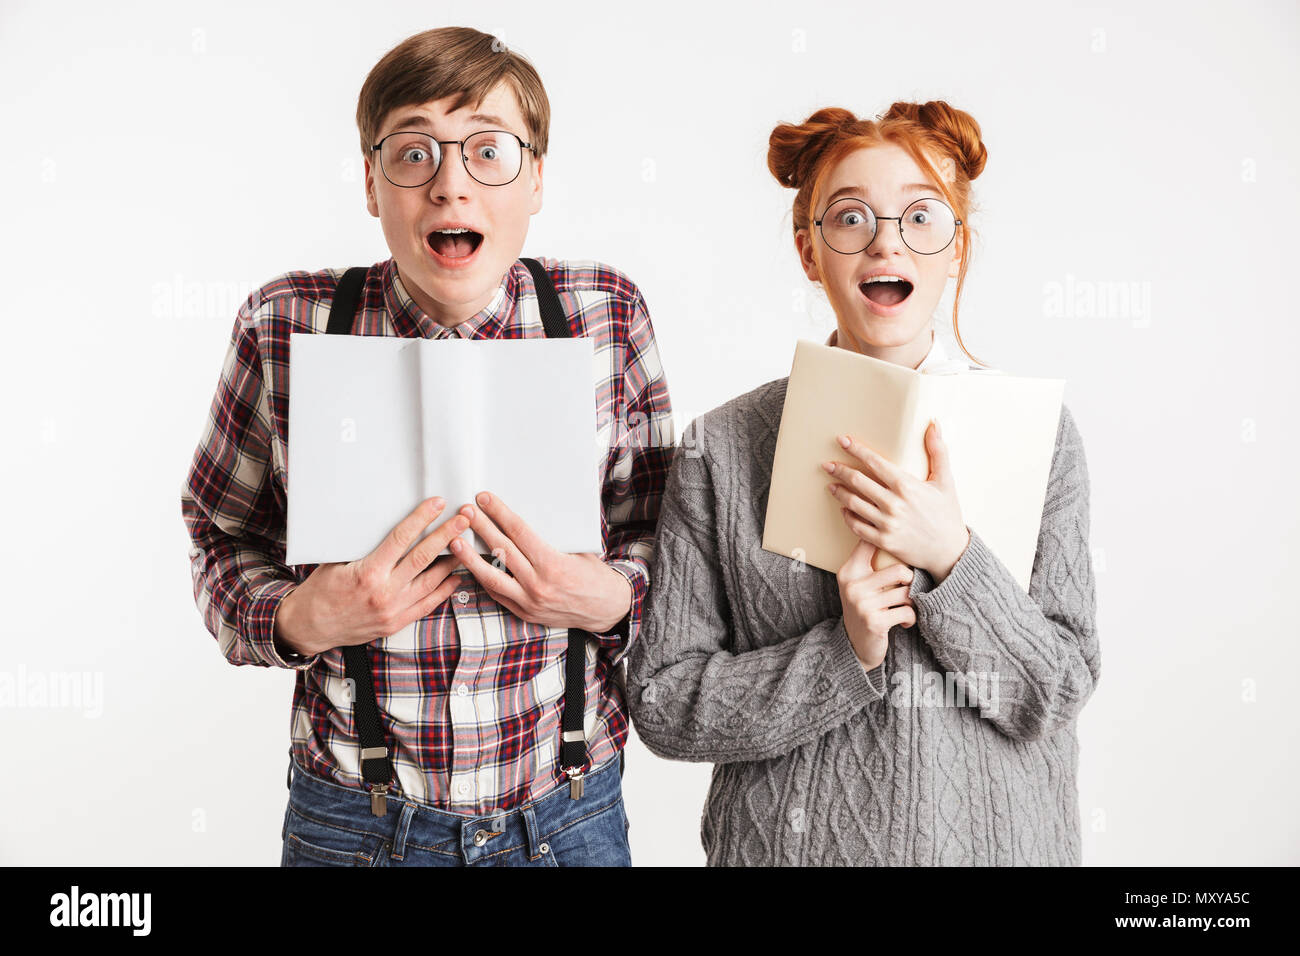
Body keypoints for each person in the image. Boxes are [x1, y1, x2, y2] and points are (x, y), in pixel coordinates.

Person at [180, 26, 674, 866]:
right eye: (414, 154)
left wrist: (610, 599)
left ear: (538, 177)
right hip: (355, 821)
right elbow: (220, 533)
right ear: (372, 183)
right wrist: (300, 617)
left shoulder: (606, 313)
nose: (451, 187)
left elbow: (666, 538)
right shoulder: (286, 324)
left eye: (489, 151)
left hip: (568, 814)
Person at [627, 101, 1098, 866]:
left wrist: (953, 560)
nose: (887, 242)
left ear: (957, 248)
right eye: (851, 219)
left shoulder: (1041, 434)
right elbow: (664, 704)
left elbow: (1054, 692)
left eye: (921, 217)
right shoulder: (722, 447)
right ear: (810, 250)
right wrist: (843, 651)